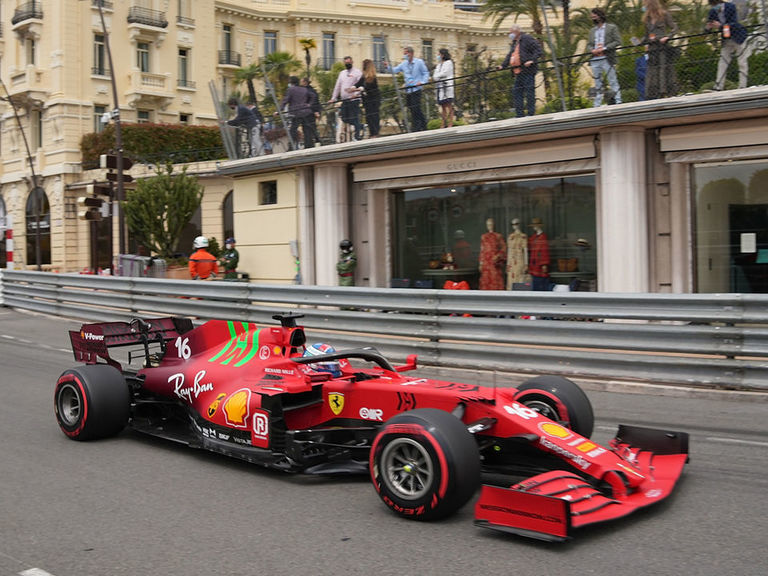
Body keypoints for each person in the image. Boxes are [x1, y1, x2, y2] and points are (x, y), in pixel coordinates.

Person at [705, 0, 749, 90]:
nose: (716, 8)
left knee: (742, 62)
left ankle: (742, 85)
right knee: (723, 62)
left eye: (717, 5)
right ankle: (718, 86)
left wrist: (721, 26)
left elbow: (734, 23)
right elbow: (708, 25)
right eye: (713, 5)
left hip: (738, 37)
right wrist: (708, 28)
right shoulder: (712, 11)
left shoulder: (730, 6)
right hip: (726, 39)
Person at [500, 24, 542, 118]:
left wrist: (532, 60)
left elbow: (538, 50)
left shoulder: (526, 38)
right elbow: (510, 55)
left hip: (527, 70)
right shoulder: (515, 43)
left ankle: (530, 113)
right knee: (517, 92)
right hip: (518, 71)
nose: (510, 34)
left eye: (511, 32)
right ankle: (520, 114)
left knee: (529, 91)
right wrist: (503, 65)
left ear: (517, 32)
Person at [386, 46, 430, 131]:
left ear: (411, 53)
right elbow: (395, 70)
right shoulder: (404, 64)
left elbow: (425, 73)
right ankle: (421, 124)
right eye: (404, 54)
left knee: (415, 107)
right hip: (408, 90)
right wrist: (388, 67)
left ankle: (418, 126)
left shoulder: (419, 62)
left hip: (416, 89)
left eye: (406, 53)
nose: (405, 55)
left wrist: (422, 82)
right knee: (411, 108)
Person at [642, 0, 679, 100]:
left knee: (664, 68)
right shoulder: (647, 19)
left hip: (662, 46)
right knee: (653, 70)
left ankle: (665, 91)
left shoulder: (664, 15)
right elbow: (646, 35)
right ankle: (654, 92)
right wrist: (642, 42)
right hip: (652, 48)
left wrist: (668, 37)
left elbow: (674, 28)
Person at [587, 7, 622, 106]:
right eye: (592, 17)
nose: (593, 18)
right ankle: (597, 103)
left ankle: (618, 100)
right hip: (595, 59)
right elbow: (589, 44)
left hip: (607, 57)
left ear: (600, 15)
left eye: (595, 16)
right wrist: (591, 50)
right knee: (597, 82)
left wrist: (605, 48)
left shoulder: (611, 27)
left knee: (612, 80)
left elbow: (618, 41)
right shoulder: (592, 31)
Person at [330, 56, 363, 141]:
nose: (347, 64)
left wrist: (355, 94)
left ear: (352, 62)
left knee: (354, 117)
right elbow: (338, 86)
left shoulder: (357, 72)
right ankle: (360, 126)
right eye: (346, 63)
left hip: (354, 100)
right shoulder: (342, 73)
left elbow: (361, 84)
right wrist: (333, 98)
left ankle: (357, 135)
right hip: (345, 100)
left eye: (348, 62)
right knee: (344, 118)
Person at [280, 76, 314, 150]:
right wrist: (309, 104)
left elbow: (285, 100)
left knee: (293, 130)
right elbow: (312, 96)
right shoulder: (304, 89)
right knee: (306, 129)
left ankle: (291, 146)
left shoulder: (291, 89)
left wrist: (280, 110)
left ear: (291, 82)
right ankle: (308, 146)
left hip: (296, 112)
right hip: (305, 111)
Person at [354, 59, 381, 138]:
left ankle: (375, 133)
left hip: (373, 101)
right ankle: (372, 133)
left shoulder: (372, 78)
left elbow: (368, 88)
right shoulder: (364, 76)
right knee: (368, 117)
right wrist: (352, 88)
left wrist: (360, 89)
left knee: (374, 117)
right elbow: (358, 83)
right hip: (367, 101)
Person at [478, 218, 506, 290]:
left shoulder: (498, 236)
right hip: (486, 263)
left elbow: (503, 248)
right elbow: (482, 250)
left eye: (491, 224)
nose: (489, 226)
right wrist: (481, 263)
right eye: (488, 225)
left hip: (494, 262)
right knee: (486, 280)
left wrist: (498, 256)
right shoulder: (484, 237)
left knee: (495, 279)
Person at [432, 48, 455, 128]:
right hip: (440, 87)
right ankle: (443, 123)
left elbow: (444, 73)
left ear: (442, 55)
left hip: (447, 86)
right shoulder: (439, 65)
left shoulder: (449, 63)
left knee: (449, 105)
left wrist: (437, 76)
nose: (438, 56)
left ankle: (450, 123)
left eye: (439, 54)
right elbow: (435, 75)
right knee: (443, 106)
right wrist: (437, 76)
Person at [527, 217, 550, 291]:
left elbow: (544, 251)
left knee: (541, 284)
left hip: (539, 265)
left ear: (539, 225)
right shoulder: (533, 238)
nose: (534, 226)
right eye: (533, 225)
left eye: (535, 225)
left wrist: (544, 264)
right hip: (534, 264)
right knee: (535, 283)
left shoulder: (543, 237)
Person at [506, 218, 528, 290]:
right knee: (511, 278)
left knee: (520, 277)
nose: (514, 226)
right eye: (513, 224)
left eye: (516, 224)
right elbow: (509, 250)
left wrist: (526, 264)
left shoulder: (523, 236)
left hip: (520, 259)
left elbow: (525, 250)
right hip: (512, 261)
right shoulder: (510, 237)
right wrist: (508, 263)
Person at [300, 77, 322, 146]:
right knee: (311, 127)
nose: (301, 83)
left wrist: (315, 111)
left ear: (305, 82)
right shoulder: (311, 90)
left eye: (302, 82)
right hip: (309, 111)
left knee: (309, 127)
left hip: (309, 112)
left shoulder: (308, 91)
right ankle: (313, 141)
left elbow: (314, 101)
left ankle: (312, 142)